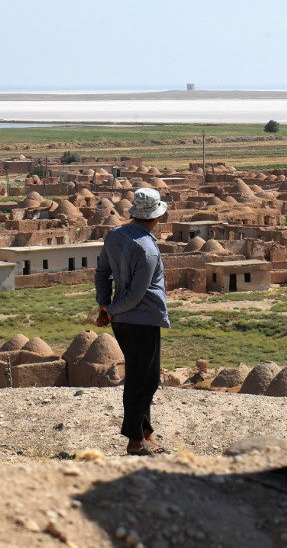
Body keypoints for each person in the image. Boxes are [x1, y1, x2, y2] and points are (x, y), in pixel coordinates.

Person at [94, 187, 170, 455]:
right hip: (142, 319)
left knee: (143, 378)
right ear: (158, 216)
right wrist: (112, 309)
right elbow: (137, 295)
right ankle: (135, 440)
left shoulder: (115, 236)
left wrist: (105, 305)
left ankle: (146, 433)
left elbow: (102, 272)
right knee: (142, 381)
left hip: (123, 321)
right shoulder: (148, 249)